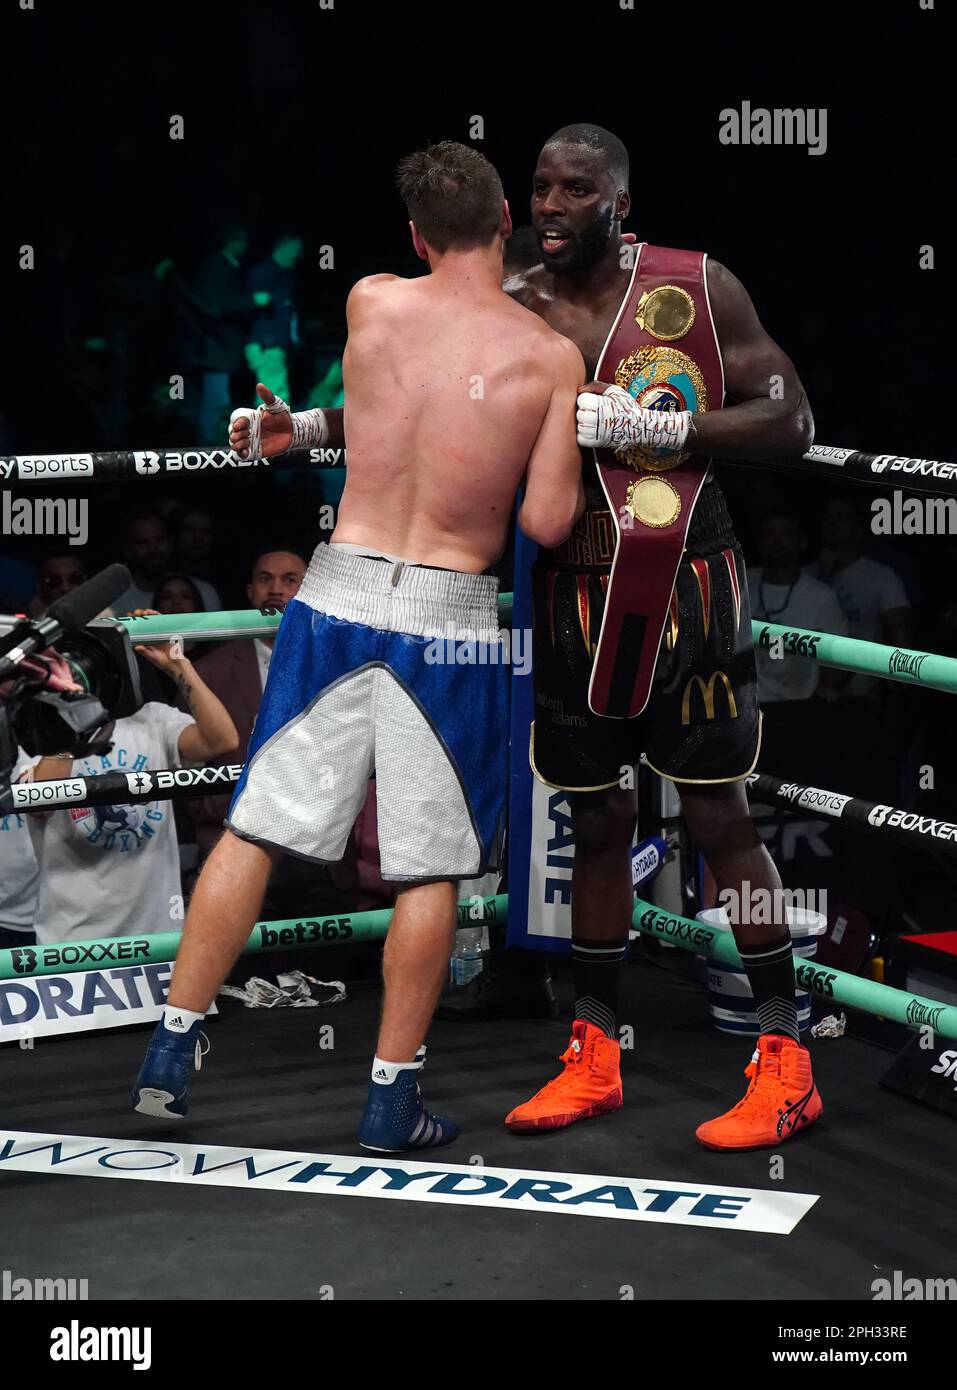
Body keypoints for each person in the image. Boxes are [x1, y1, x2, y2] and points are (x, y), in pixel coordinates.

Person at [256, 124, 820, 1153]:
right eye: (541, 190)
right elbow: (406, 405)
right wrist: (309, 425)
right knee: (595, 824)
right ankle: (595, 1052)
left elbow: (790, 421)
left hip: (689, 583)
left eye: (576, 190)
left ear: (618, 199)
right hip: (566, 588)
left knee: (719, 820)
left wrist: (666, 430)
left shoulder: (697, 287)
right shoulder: (508, 296)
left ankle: (785, 1060)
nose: (553, 207)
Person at [132, 141, 585, 1152]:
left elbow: (380, 413)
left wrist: (295, 426)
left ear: (415, 234)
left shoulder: (373, 302)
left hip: (337, 590)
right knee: (429, 871)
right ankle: (389, 1099)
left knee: (253, 828)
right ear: (508, 215)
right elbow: (550, 523)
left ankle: (170, 1046)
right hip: (449, 614)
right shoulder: (549, 358)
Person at [26, 639, 237, 942]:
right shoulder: (38, 728)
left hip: (158, 933)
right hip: (74, 941)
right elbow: (40, 803)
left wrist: (179, 667)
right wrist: (70, 720)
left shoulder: (153, 719)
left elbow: (222, 741)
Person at [114, 511, 221, 615]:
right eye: (142, 543)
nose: (153, 549)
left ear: (171, 543)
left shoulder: (204, 592)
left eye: (159, 540)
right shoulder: (114, 600)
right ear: (128, 551)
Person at [245, 232, 304, 404]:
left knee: (272, 398)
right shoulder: (262, 273)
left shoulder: (287, 276)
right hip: (267, 346)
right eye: (296, 249)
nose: (298, 255)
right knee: (274, 400)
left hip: (276, 346)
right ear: (283, 247)